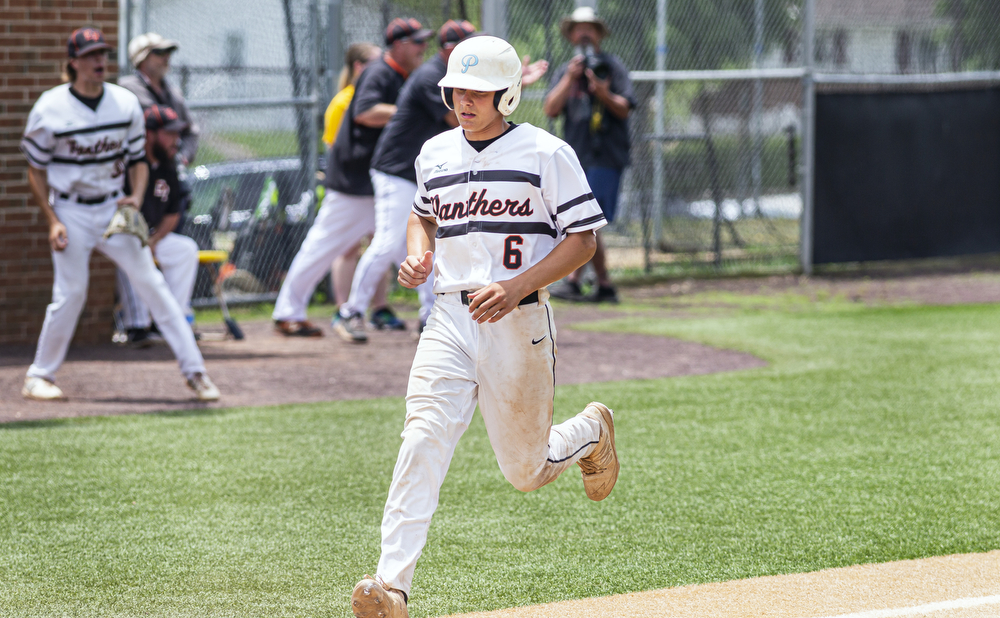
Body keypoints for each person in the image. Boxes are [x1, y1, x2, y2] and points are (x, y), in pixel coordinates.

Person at [349, 36, 619, 618]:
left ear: (508, 93)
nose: (463, 100)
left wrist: (518, 284)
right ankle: (391, 585)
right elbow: (422, 217)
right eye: (455, 90)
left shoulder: (546, 152)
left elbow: (583, 241)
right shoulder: (435, 153)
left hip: (519, 317)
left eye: (477, 91)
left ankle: (590, 430)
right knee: (422, 436)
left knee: (525, 471)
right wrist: (418, 254)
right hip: (448, 314)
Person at [18, 27, 220, 402]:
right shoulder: (50, 106)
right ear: (74, 62)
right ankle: (39, 375)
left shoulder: (123, 102)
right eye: (91, 55)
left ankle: (196, 372)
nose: (100, 61)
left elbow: (137, 159)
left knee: (153, 286)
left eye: (104, 54)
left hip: (113, 207)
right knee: (72, 293)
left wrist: (136, 196)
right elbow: (35, 168)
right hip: (71, 209)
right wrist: (52, 219)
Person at [337, 20, 550, 342]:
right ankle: (350, 311)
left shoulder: (443, 73)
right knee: (388, 243)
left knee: (432, 245)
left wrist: (514, 83)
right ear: (453, 51)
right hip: (397, 171)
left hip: (424, 171)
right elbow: (465, 120)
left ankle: (427, 313)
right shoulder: (432, 77)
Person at [272, 18, 432, 340]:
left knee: (407, 247)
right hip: (355, 182)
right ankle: (290, 312)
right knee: (325, 245)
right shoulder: (380, 71)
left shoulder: (401, 75)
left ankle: (434, 311)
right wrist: (408, 109)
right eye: (416, 42)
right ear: (398, 45)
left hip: (379, 181)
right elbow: (364, 111)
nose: (422, 48)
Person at [543, 6, 636, 303]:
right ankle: (604, 285)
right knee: (584, 221)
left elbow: (625, 107)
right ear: (571, 35)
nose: (584, 33)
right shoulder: (567, 71)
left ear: (598, 34)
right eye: (578, 28)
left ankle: (577, 280)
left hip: (607, 155)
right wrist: (571, 78)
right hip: (576, 156)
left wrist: (602, 92)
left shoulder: (612, 67)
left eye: (590, 28)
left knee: (588, 220)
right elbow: (550, 109)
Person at [315, 42, 401, 335]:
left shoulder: (379, 94)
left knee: (381, 242)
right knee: (349, 246)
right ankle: (344, 308)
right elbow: (334, 144)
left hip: (375, 182)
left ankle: (379, 307)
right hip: (350, 184)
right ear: (358, 67)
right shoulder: (344, 100)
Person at [114, 105, 201, 347]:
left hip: (153, 236)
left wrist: (155, 240)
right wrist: (144, 240)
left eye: (177, 133)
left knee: (185, 249)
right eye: (170, 133)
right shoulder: (128, 162)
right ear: (150, 134)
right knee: (130, 246)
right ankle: (137, 326)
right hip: (123, 235)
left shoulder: (168, 165)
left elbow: (173, 213)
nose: (176, 140)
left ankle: (170, 320)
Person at [119, 32, 199, 165]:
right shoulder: (127, 89)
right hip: (138, 167)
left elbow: (190, 130)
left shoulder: (173, 92)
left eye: (168, 52)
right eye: (159, 52)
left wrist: (184, 156)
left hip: (170, 167)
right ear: (142, 58)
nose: (166, 57)